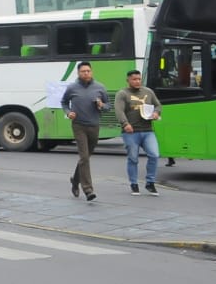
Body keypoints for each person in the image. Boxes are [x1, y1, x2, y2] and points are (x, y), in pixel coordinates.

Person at [61, 60, 109, 201]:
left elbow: (108, 106)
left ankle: (75, 180)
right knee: (84, 157)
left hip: (94, 125)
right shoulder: (72, 88)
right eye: (83, 71)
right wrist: (68, 112)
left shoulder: (100, 87)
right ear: (78, 73)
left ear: (91, 72)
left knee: (86, 158)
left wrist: (101, 105)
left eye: (88, 71)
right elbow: (64, 102)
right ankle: (88, 189)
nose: (86, 73)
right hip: (78, 125)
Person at [114, 69, 163, 196]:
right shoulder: (122, 93)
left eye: (139, 79)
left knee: (154, 154)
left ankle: (150, 182)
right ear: (128, 80)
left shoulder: (148, 92)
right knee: (133, 158)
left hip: (147, 130)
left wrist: (156, 113)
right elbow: (119, 111)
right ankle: (134, 184)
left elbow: (158, 105)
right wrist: (125, 124)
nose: (137, 81)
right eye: (134, 79)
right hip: (131, 132)